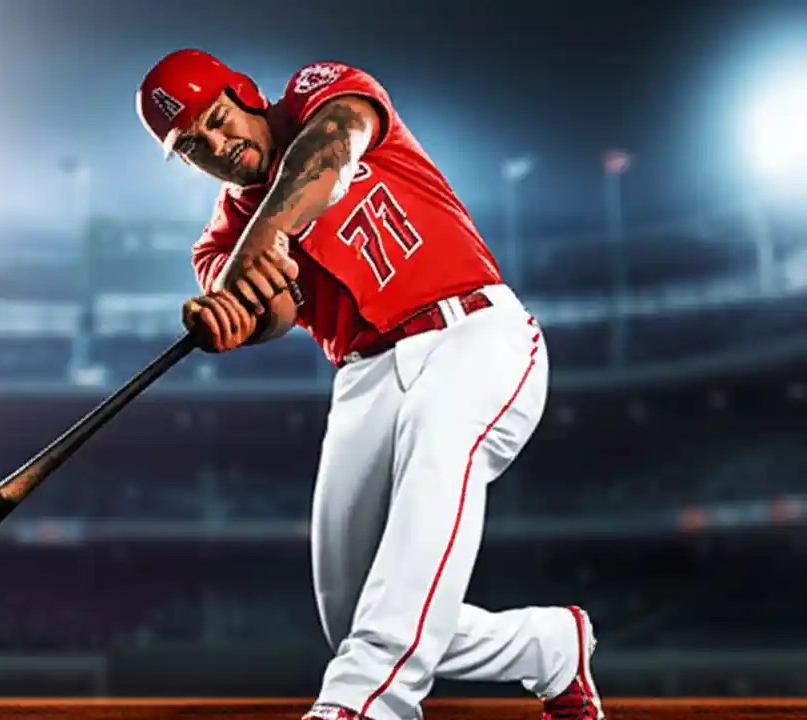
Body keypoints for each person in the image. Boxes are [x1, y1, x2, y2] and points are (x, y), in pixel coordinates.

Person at [136, 49, 607, 720]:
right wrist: (229, 313)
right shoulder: (219, 242)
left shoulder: (315, 93)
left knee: (438, 441)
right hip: (363, 377)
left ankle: (363, 705)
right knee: (357, 612)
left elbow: (330, 148)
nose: (216, 144)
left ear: (243, 93)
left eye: (217, 118)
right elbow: (274, 310)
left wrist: (267, 232)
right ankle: (547, 647)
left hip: (470, 330)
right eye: (192, 146)